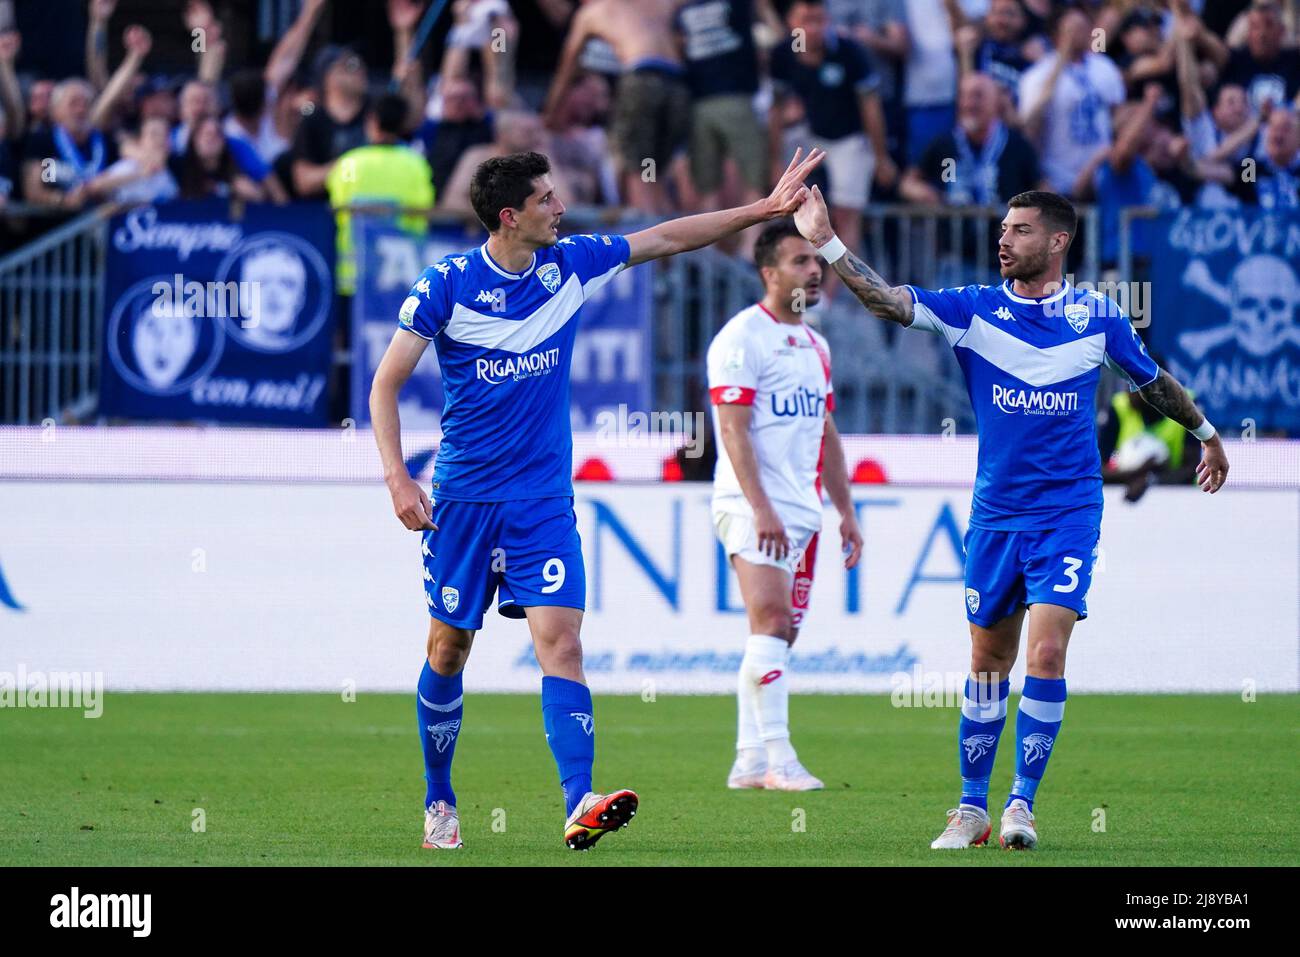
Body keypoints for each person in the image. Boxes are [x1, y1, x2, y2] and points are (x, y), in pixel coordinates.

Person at [368, 146, 825, 851]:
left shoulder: (570, 265)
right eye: (548, 199)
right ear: (511, 216)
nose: (562, 207)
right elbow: (385, 383)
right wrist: (399, 477)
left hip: (542, 500)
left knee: (564, 644)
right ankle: (439, 798)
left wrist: (762, 209)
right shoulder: (445, 287)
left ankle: (580, 798)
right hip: (462, 499)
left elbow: (668, 235)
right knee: (449, 648)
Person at [789, 185, 1229, 850]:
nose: (1005, 240)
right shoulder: (972, 309)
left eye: (1021, 230)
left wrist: (1207, 432)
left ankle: (1021, 803)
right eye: (1003, 228)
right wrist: (826, 240)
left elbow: (1151, 380)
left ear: (1057, 242)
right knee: (988, 661)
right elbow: (887, 300)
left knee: (1047, 650)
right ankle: (971, 808)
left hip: (1069, 512)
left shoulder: (1096, 316)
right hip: (996, 516)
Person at [706, 219, 863, 792]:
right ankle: (780, 759)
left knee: (780, 635)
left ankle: (748, 759)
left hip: (804, 511)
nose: (815, 269)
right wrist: (761, 507)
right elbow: (733, 429)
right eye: (800, 261)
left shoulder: (816, 345)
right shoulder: (740, 338)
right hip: (752, 507)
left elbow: (826, 432)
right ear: (769, 272)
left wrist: (846, 510)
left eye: (816, 261)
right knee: (770, 620)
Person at [543, 0, 692, 214]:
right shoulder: (651, 4)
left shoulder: (594, 12)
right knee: (655, 169)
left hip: (642, 80)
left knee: (635, 167)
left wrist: (550, 114)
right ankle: (668, 228)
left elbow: (567, 67)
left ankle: (650, 234)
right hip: (677, 83)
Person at [326, 92, 434, 296]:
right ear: (403, 123)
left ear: (372, 121)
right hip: (398, 275)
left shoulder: (348, 163)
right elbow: (423, 213)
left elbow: (337, 206)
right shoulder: (416, 164)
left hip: (353, 274)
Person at [1018, 5, 1126, 197]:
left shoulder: (1105, 68)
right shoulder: (1037, 74)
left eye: (1085, 27)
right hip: (1056, 178)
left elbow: (1118, 116)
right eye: (1073, 28)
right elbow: (1029, 126)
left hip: (1102, 174)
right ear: (1056, 34)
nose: (1081, 33)